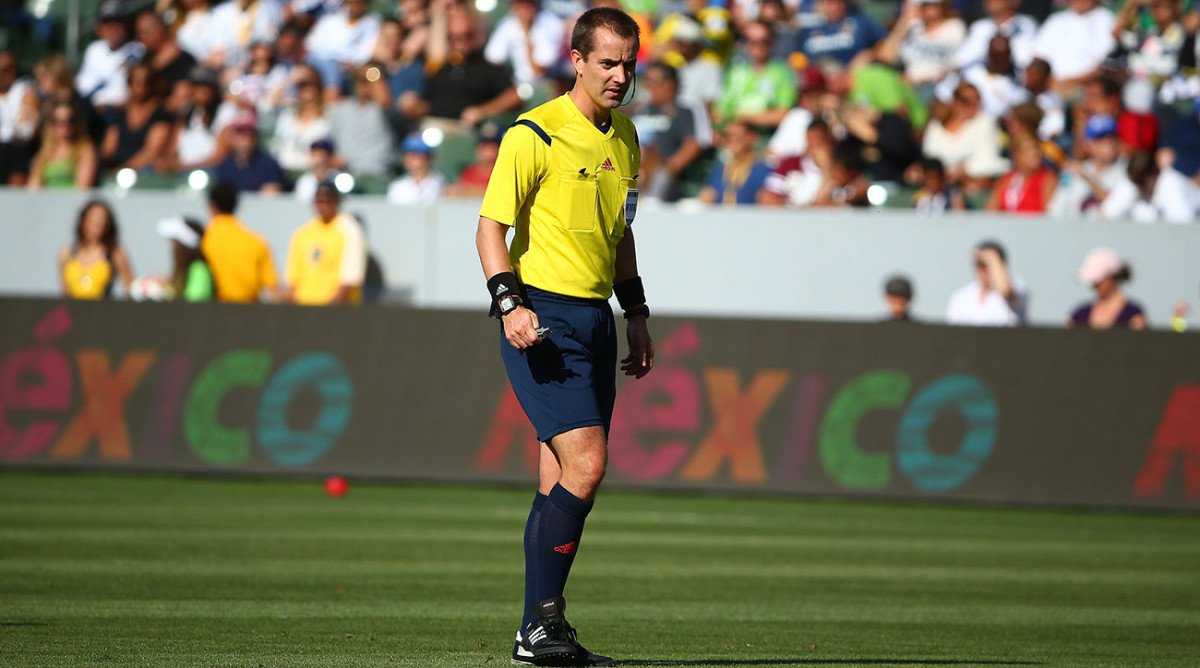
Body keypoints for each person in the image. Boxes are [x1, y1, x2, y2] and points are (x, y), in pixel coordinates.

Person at [474, 8, 652, 667]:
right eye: (607, 61)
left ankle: (535, 635)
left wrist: (635, 312)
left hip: (597, 318)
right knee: (587, 464)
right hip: (542, 318)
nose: (620, 74)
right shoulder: (535, 132)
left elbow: (622, 231)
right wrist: (508, 303)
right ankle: (544, 625)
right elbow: (490, 227)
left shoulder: (626, 138)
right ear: (576, 60)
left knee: (558, 477)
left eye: (629, 63)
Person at [630, 61, 713, 203]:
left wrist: (667, 171)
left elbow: (695, 144)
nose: (647, 86)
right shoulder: (641, 108)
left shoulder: (688, 109)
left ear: (670, 84)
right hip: (634, 170)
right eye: (646, 81)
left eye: (653, 81)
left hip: (666, 174)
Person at [285, 181, 366, 305]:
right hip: (305, 307)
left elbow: (350, 279)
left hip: (335, 310)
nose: (322, 207)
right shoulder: (303, 233)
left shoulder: (350, 230)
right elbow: (294, 282)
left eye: (327, 202)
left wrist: (330, 312)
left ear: (337, 202)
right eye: (319, 202)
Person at [201, 180, 281, 302]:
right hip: (249, 313)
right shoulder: (257, 241)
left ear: (212, 206)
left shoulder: (203, 241)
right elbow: (271, 288)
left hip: (212, 312)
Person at [713, 21, 796, 129]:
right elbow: (718, 111)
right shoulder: (734, 72)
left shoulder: (784, 73)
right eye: (751, 41)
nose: (757, 46)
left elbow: (783, 114)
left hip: (766, 137)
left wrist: (743, 118)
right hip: (733, 133)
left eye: (764, 41)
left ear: (773, 42)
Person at [99, 63, 173, 174]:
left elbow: (152, 152)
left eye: (145, 81)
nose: (140, 85)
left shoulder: (161, 115)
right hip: (115, 169)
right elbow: (108, 148)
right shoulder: (120, 114)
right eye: (135, 81)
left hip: (143, 171)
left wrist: (122, 170)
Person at [75, 1, 145, 110]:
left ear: (125, 25)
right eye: (107, 23)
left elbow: (122, 92)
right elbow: (82, 84)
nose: (113, 28)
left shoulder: (136, 50)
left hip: (115, 110)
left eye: (117, 22)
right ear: (100, 28)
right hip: (89, 106)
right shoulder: (94, 49)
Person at [58, 200, 134, 300]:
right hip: (73, 312)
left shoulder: (114, 253)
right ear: (83, 221)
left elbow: (130, 289)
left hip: (102, 312)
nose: (97, 224)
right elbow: (64, 293)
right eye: (92, 218)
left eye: (102, 219)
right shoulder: (67, 253)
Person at [945, 240, 1029, 326]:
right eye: (979, 264)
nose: (982, 269)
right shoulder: (961, 297)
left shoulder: (1017, 286)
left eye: (986, 264)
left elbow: (1006, 290)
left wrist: (991, 258)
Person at [1100, 151, 1198, 223]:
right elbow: (1106, 215)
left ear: (1154, 173)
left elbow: (1183, 225)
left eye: (1142, 182)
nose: (1138, 187)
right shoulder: (1133, 183)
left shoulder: (1171, 183)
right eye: (1135, 182)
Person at [1067, 247, 1147, 329]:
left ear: (1111, 277)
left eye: (1098, 281)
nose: (1094, 285)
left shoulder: (1133, 316)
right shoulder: (1079, 316)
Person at [699, 119, 772, 205]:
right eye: (727, 136)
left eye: (737, 136)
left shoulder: (765, 170)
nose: (732, 140)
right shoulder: (721, 169)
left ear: (752, 138)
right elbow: (707, 195)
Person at [28, 101, 99, 190]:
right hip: (46, 202)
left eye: (70, 120)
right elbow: (33, 189)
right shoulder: (44, 154)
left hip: (72, 202)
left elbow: (82, 189)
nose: (66, 125)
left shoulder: (84, 149)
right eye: (59, 121)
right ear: (52, 124)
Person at [984, 132, 1057, 213]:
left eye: (1037, 149)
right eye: (1029, 149)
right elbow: (990, 211)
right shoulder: (1007, 179)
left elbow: (1050, 213)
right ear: (1017, 155)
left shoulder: (1047, 178)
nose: (1036, 153)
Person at [215, 112, 286, 193]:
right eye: (242, 135)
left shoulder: (270, 165)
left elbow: (271, 198)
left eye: (251, 135)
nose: (247, 142)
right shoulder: (226, 167)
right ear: (234, 137)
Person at [0, 50, 40, 186]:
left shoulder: (23, 90)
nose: (8, 74)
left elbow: (26, 130)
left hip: (17, 151)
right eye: (3, 70)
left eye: (9, 69)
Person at [157, 216, 215, 302]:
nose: (171, 246)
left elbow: (192, 307)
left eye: (174, 241)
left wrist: (167, 291)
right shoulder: (190, 271)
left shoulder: (199, 269)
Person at [294, 138, 345, 202]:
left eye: (323, 153)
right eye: (315, 153)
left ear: (330, 156)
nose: (318, 157)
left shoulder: (339, 178)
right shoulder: (305, 180)